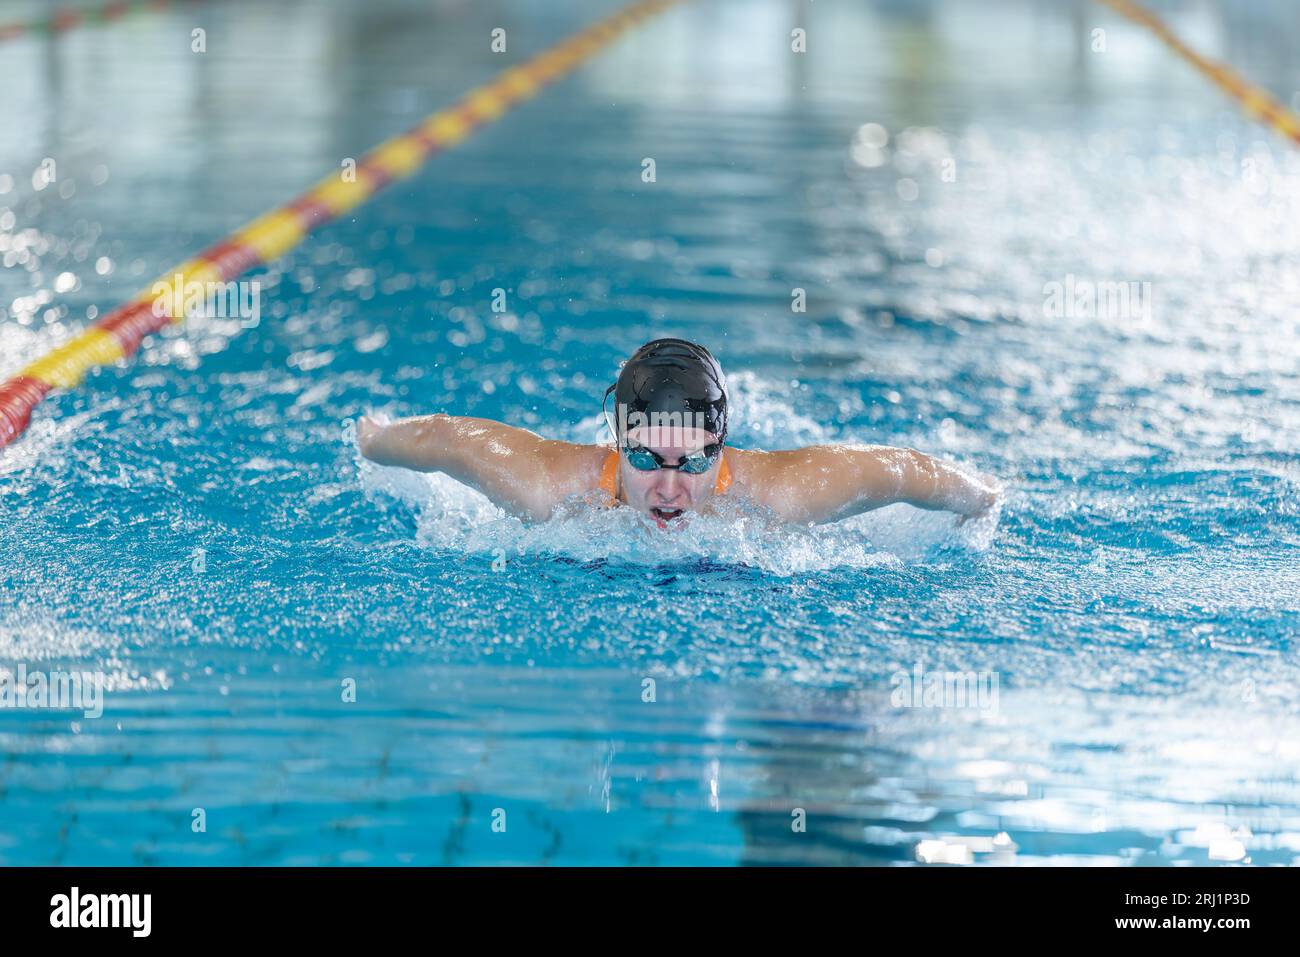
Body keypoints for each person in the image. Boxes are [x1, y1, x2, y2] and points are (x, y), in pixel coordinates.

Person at [356, 338, 1000, 529]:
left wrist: (981, 497)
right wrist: (374, 439)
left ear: (720, 451)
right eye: (644, 457)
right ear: (616, 442)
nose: (668, 487)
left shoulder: (779, 495)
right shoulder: (545, 488)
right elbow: (446, 439)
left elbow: (903, 470)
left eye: (691, 464)